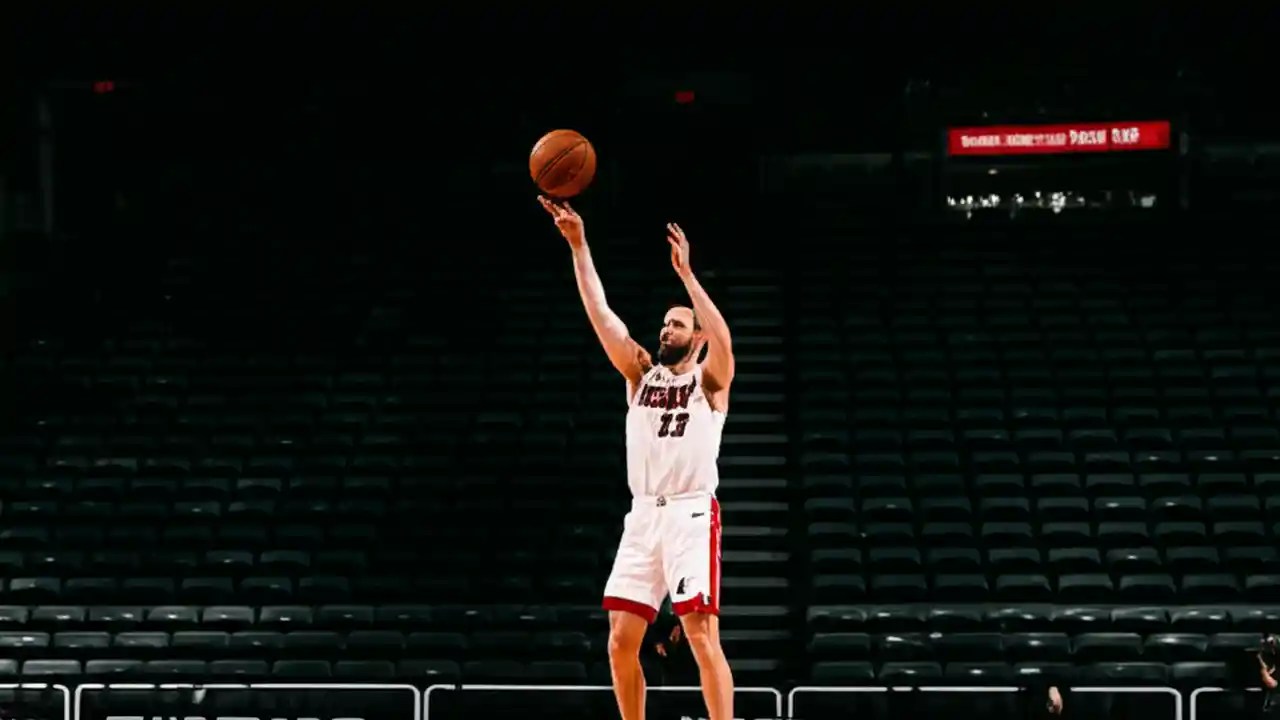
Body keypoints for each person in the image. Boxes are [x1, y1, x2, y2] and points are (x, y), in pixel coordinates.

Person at [540, 196, 736, 720]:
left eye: (678, 324)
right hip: (644, 513)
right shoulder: (641, 373)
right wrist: (579, 246)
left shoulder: (709, 382)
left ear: (694, 337)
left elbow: (724, 340)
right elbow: (602, 317)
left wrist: (689, 277)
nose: (666, 329)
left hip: (692, 511)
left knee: (699, 634)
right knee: (620, 639)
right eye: (665, 323)